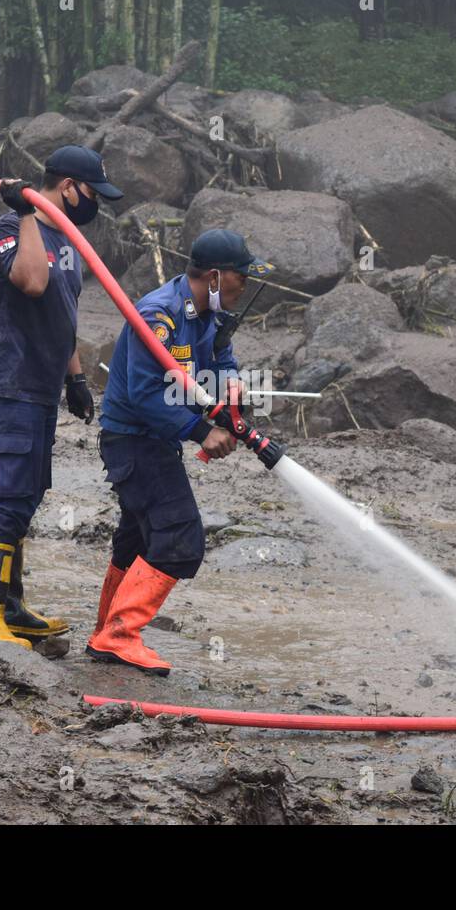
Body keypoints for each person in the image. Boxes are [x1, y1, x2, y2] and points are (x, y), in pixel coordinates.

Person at [0, 145, 123, 647]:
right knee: (9, 499)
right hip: (10, 381)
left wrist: (74, 377)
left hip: (43, 387)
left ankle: (11, 604)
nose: (96, 204)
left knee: (28, 495)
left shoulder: (70, 238)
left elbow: (63, 313)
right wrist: (26, 210)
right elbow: (31, 281)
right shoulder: (10, 229)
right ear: (68, 187)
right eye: (92, 192)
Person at [87, 229, 274, 675]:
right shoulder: (159, 316)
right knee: (180, 538)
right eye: (241, 279)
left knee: (137, 538)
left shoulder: (210, 310)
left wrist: (231, 379)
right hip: (134, 440)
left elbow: (220, 350)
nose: (244, 289)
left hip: (154, 442)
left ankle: (106, 631)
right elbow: (144, 392)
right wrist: (200, 432)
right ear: (214, 276)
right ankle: (119, 635)